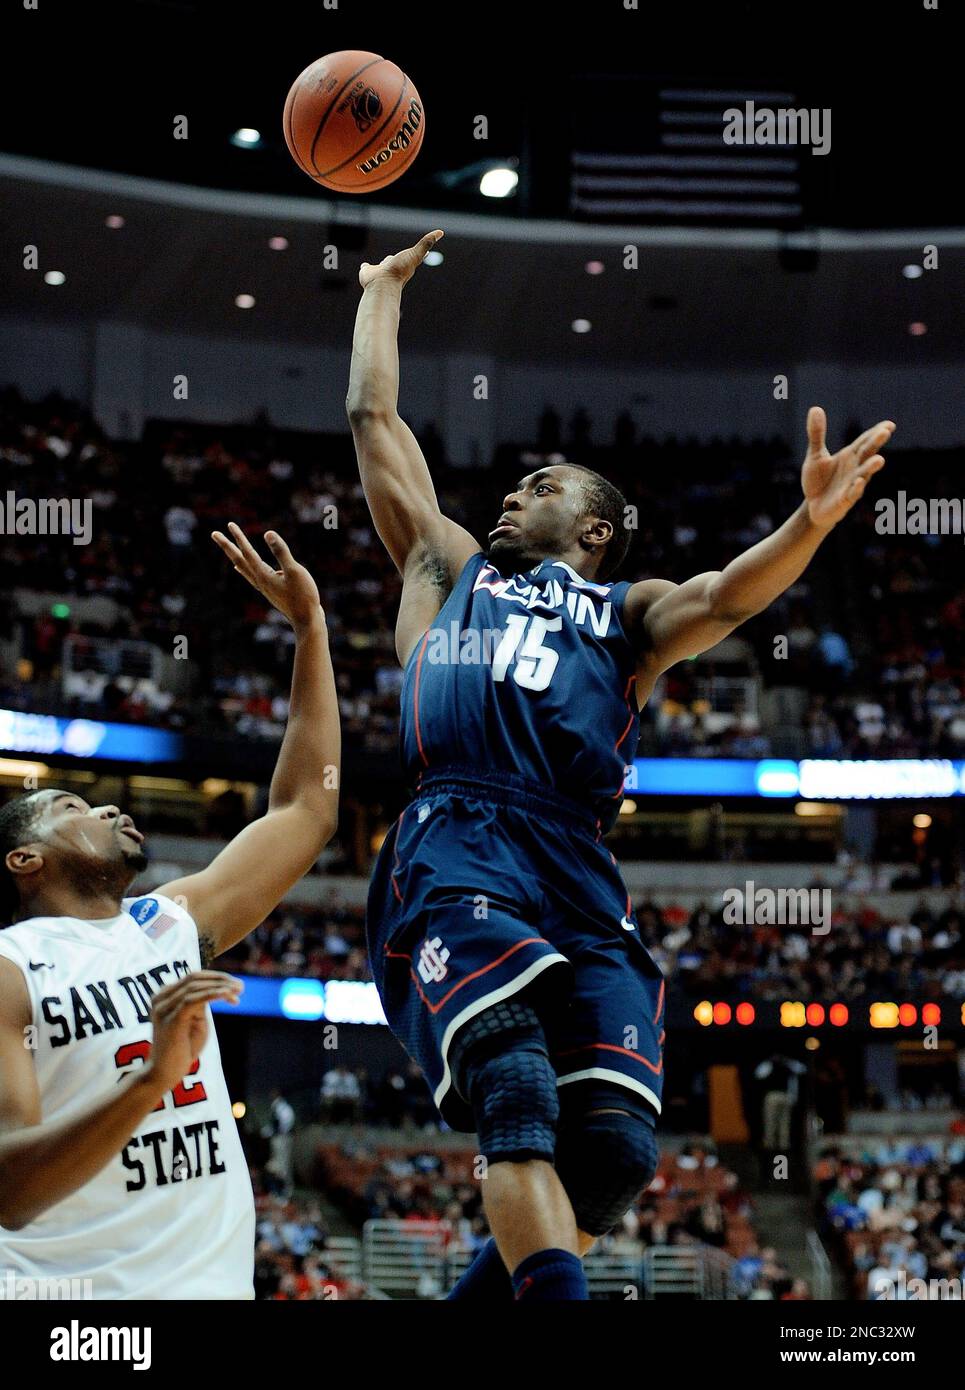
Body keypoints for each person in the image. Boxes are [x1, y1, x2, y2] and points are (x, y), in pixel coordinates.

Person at [346, 229, 895, 1301]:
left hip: (572, 861)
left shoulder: (622, 613)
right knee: (508, 1075)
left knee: (610, 1155)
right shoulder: (446, 568)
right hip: (457, 836)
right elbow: (374, 422)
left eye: (539, 483)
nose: (511, 493)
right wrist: (377, 294)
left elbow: (726, 594)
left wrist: (808, 522)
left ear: (594, 526)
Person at [0, 527, 339, 1298]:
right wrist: (151, 1081)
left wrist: (309, 631)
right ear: (26, 861)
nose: (110, 808)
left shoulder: (168, 921)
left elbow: (306, 808)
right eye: (72, 806)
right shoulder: (10, 972)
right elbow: (9, 1191)